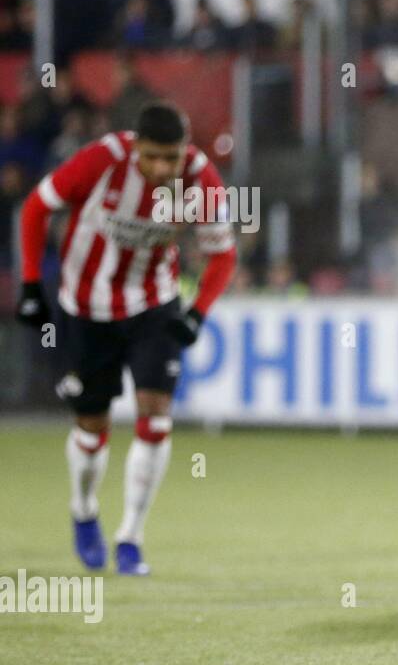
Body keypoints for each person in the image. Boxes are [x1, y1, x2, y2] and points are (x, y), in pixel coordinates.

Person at [17, 103, 237, 575]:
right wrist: (32, 283)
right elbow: (36, 207)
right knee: (91, 427)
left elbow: (223, 255)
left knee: (155, 418)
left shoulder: (202, 181)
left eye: (171, 158)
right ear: (136, 146)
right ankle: (83, 510)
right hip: (85, 306)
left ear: (185, 152)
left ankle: (132, 537)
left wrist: (197, 313)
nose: (161, 169)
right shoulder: (100, 161)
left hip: (153, 303)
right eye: (152, 156)